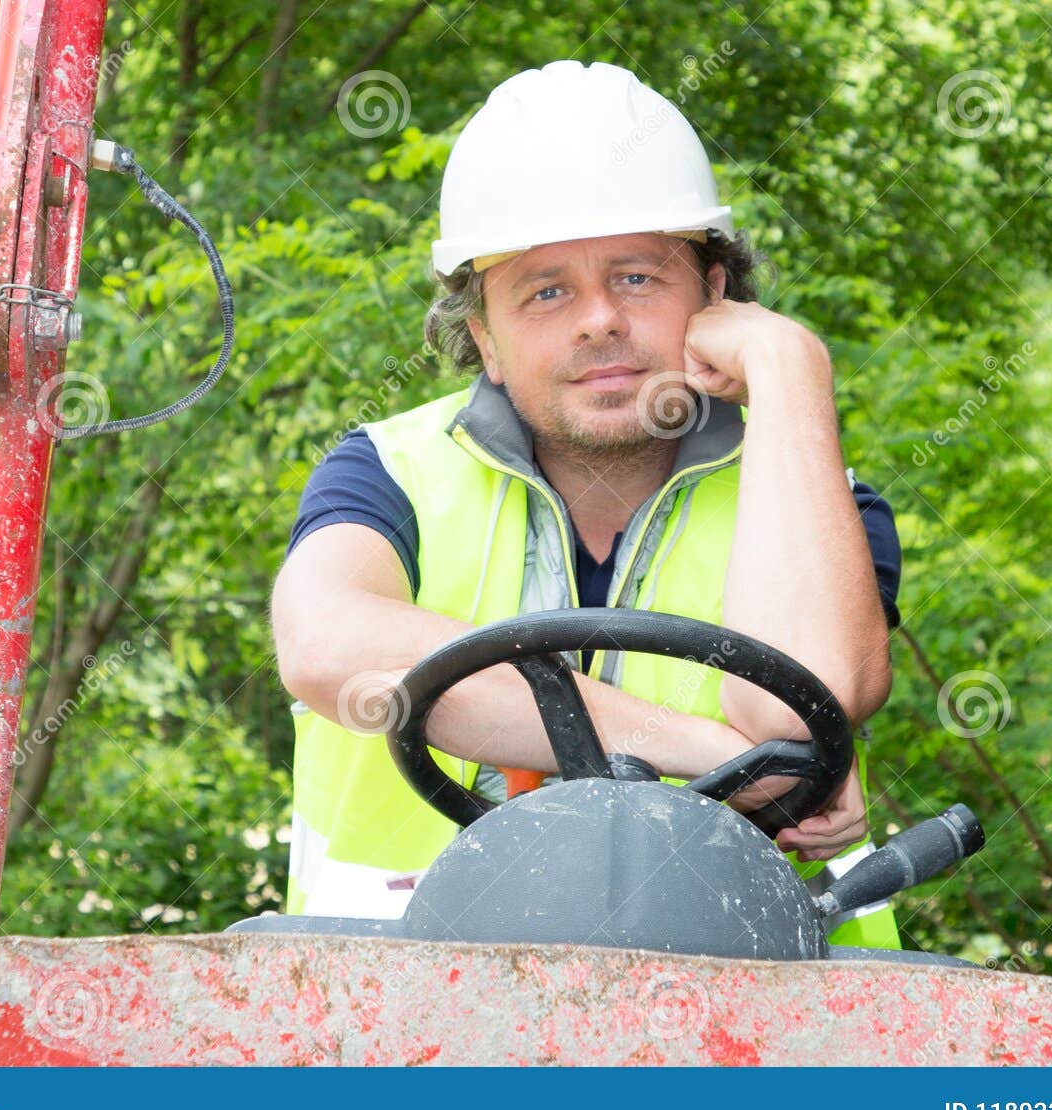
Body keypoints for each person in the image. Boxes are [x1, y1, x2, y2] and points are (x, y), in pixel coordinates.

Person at [273, 60, 902, 948]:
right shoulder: (388, 472)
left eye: (638, 277)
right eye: (547, 290)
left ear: (714, 294)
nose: (598, 319)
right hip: (401, 1034)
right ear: (485, 339)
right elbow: (330, 648)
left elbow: (795, 720)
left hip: (764, 1042)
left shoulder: (820, 501)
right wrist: (702, 749)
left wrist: (790, 367)